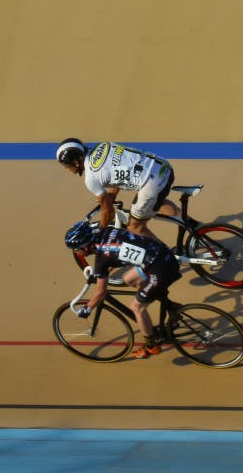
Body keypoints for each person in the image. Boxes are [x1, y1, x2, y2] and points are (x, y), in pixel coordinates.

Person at [64, 220, 182, 359]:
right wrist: (100, 272)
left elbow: (101, 293)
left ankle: (151, 346)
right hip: (162, 255)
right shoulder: (108, 230)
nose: (76, 253)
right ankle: (170, 306)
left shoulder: (101, 259)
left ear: (84, 246)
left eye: (76, 249)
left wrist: (88, 308)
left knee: (137, 307)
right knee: (128, 279)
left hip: (160, 268)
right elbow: (115, 255)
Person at [56, 138, 179, 241]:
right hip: (163, 167)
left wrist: (100, 229)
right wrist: (111, 196)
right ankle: (194, 227)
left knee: (134, 228)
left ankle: (165, 257)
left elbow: (109, 213)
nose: (67, 169)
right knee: (156, 202)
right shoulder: (103, 146)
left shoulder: (90, 179)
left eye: (66, 166)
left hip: (152, 183)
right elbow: (116, 170)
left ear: (76, 162)